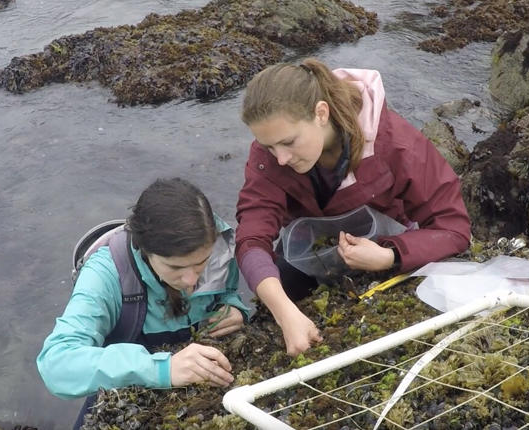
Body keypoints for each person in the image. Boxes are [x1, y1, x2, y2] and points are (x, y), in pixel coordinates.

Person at [235, 58, 471, 357]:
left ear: (321, 113)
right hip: (311, 253)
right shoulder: (270, 152)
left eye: (289, 142)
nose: (280, 159)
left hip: (382, 245)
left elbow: (454, 227)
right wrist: (284, 312)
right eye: (269, 147)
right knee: (275, 293)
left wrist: (390, 255)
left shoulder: (395, 143)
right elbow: (252, 236)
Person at [37, 178, 250, 429]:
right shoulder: (105, 275)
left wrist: (234, 308)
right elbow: (57, 363)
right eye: (175, 268)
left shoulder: (217, 246)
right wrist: (162, 369)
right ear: (145, 250)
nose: (192, 280)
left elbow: (226, 292)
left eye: (201, 263)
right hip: (123, 386)